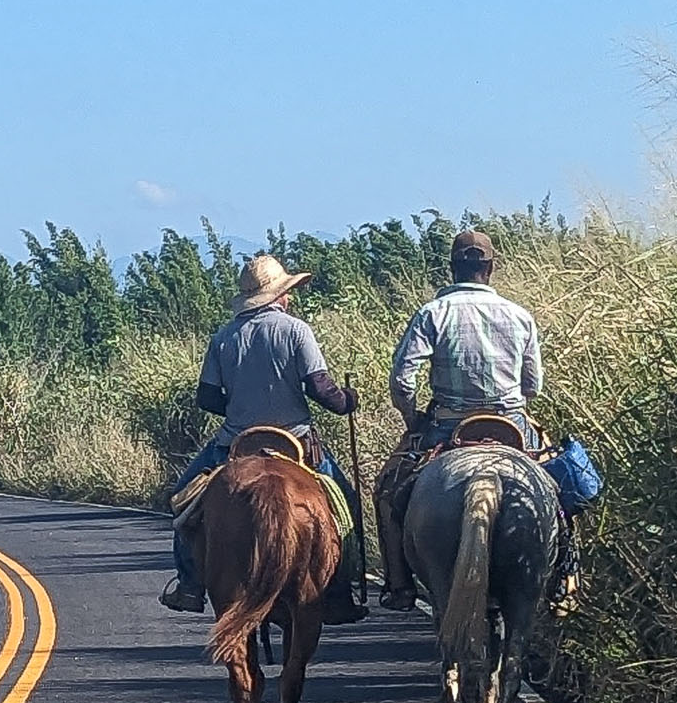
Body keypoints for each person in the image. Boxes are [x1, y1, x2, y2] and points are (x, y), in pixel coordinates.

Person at [159, 252, 367, 623]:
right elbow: (320, 388)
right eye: (286, 291)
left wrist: (242, 407)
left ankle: (190, 584)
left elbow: (207, 397)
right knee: (345, 504)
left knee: (185, 504)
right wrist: (347, 401)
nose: (289, 298)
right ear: (278, 296)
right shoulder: (296, 330)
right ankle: (338, 589)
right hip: (297, 442)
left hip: (236, 442)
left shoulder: (224, 337)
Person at [376, 228, 544, 612]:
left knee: (388, 491)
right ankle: (566, 578)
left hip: (449, 425)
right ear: (492, 268)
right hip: (511, 424)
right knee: (563, 490)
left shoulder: (433, 313)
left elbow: (403, 380)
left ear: (451, 269)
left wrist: (413, 418)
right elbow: (532, 386)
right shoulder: (520, 316)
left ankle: (400, 584)